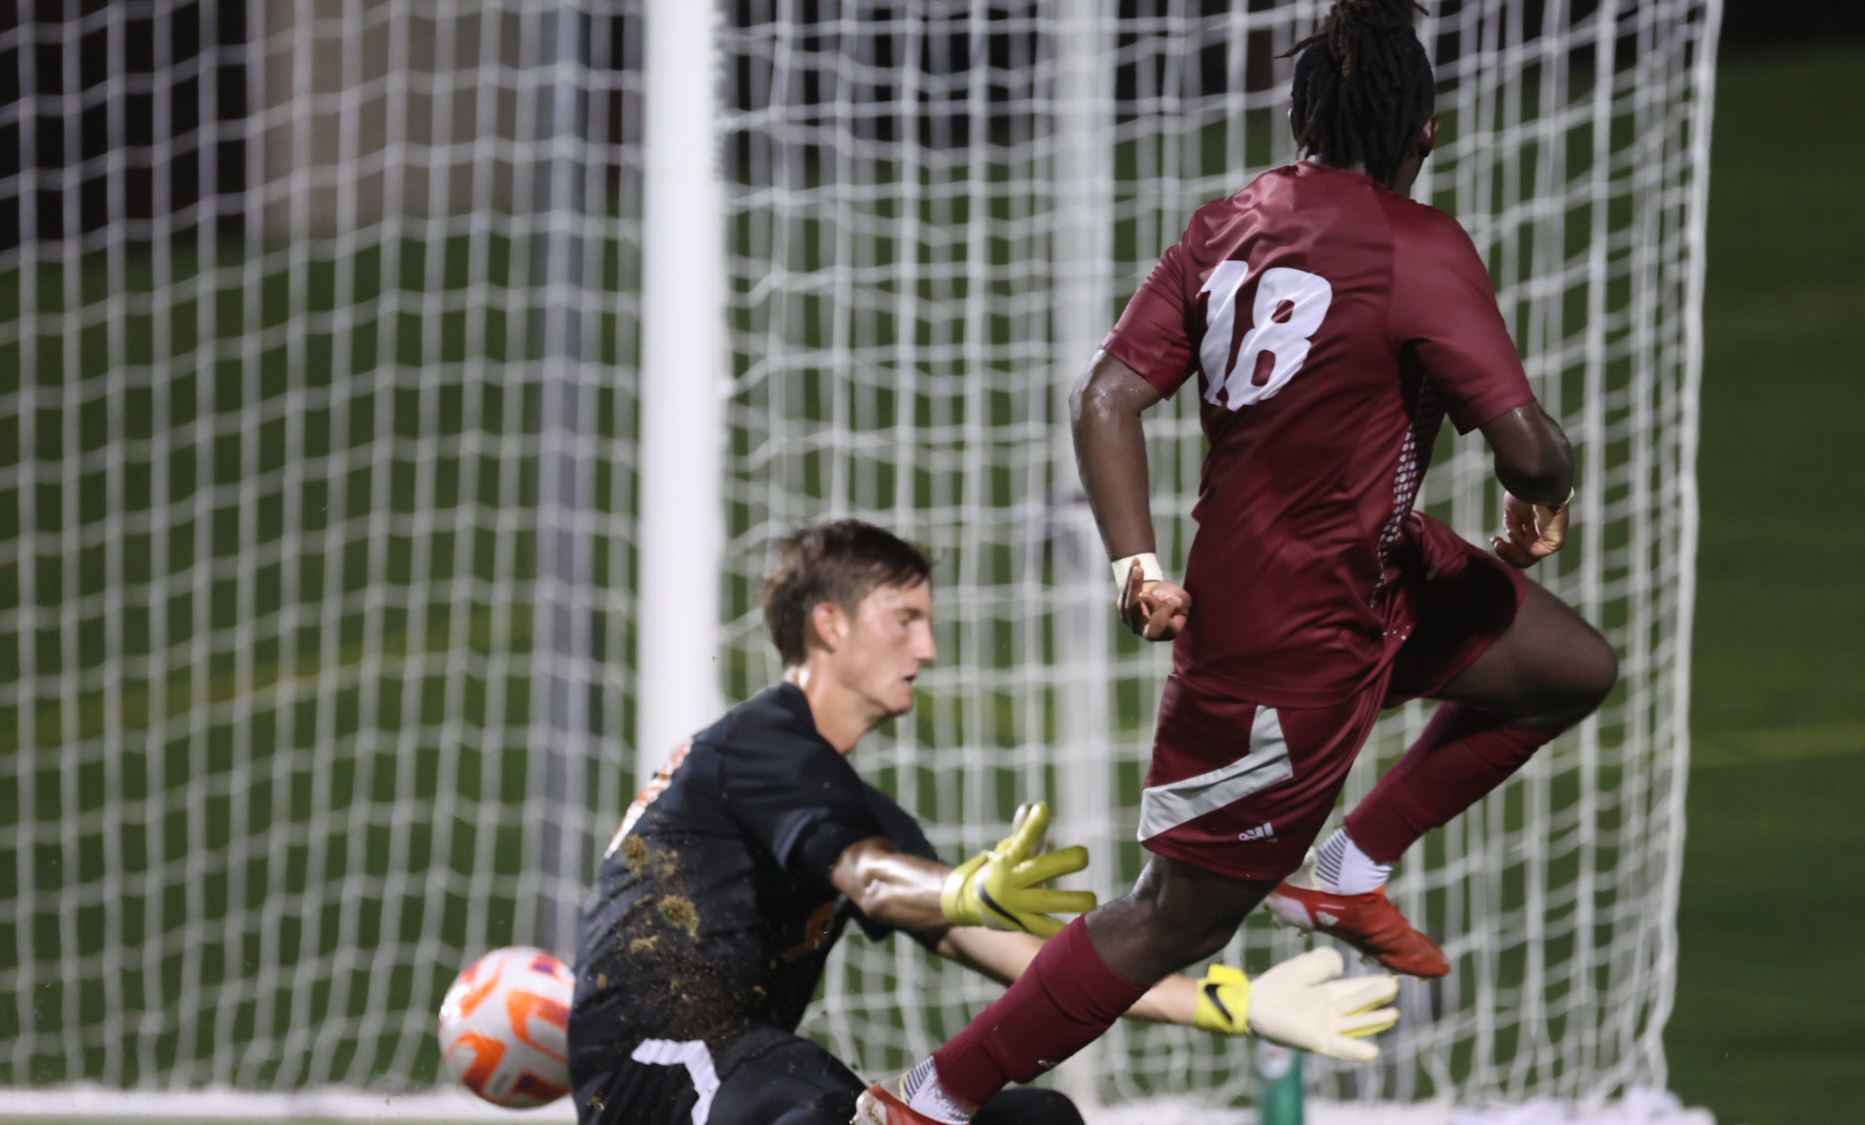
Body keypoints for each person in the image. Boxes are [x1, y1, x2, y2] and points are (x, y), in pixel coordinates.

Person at [855, 0, 1617, 1120]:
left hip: (1377, 574)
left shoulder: (1225, 225)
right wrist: (1538, 496)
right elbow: (1531, 444)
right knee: (1172, 913)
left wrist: (1134, 565)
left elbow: (1105, 396)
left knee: (1568, 666)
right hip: (1283, 647)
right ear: (1425, 135)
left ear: (1302, 118)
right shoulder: (1420, 245)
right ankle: (930, 1098)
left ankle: (1346, 868)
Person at [569, 520, 1399, 1125]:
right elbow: (871, 881)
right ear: (830, 624)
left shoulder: (843, 798)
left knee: (1037, 1121)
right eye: (906, 618)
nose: (927, 648)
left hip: (747, 1068)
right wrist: (960, 887)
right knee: (825, 1111)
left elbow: (1014, 954)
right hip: (661, 1070)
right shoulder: (761, 741)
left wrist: (1225, 997)